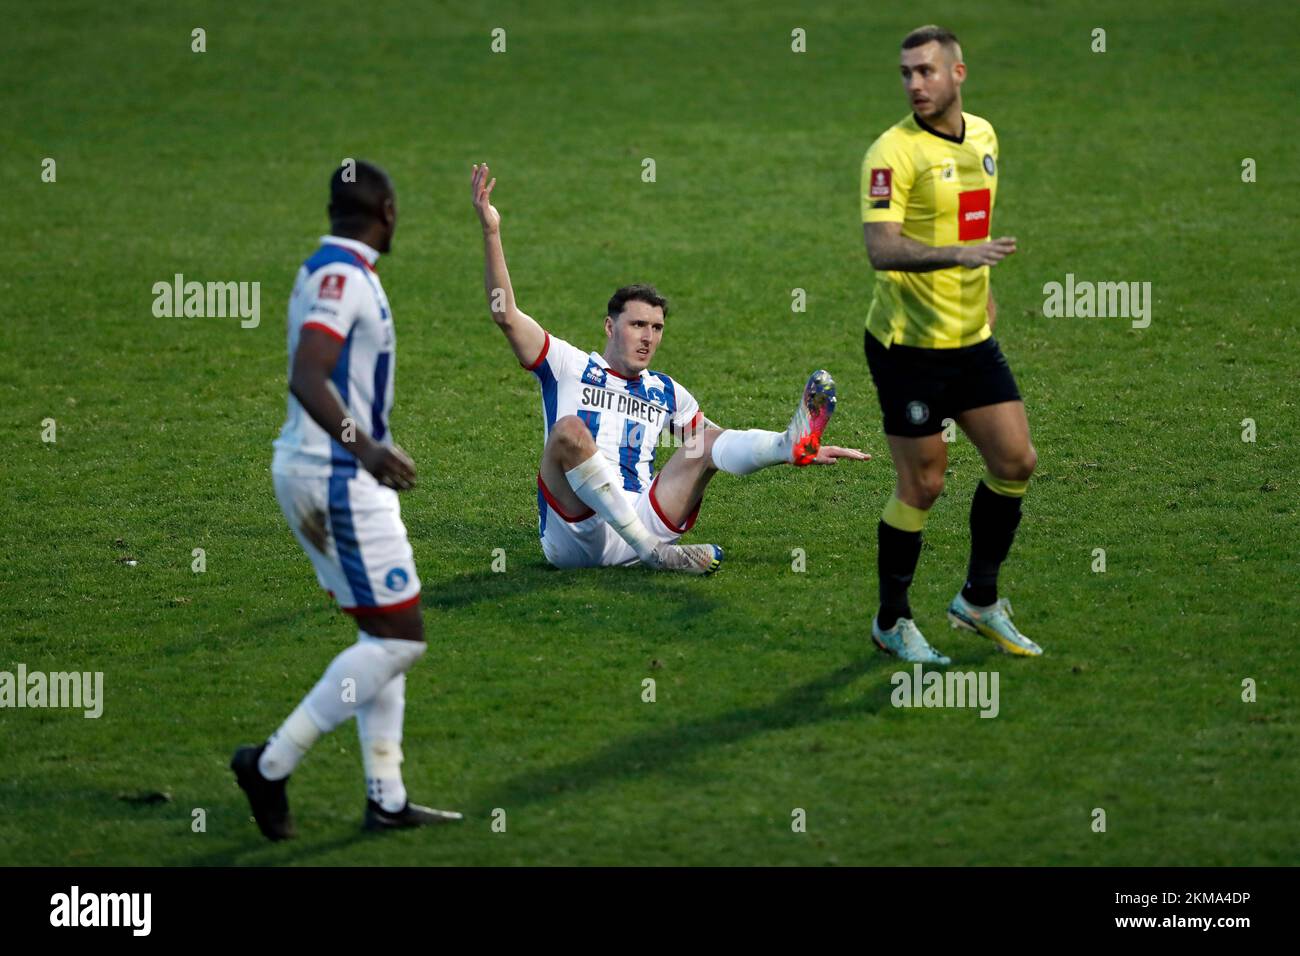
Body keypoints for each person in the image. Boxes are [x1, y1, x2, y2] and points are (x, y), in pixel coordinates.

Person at [472, 163, 869, 572]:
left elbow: (720, 446)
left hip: (646, 514)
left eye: (657, 328)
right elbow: (506, 314)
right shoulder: (565, 363)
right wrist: (491, 231)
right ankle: (653, 554)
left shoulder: (666, 390)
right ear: (610, 326)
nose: (648, 337)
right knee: (569, 431)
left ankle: (787, 441)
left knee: (707, 440)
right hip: (577, 535)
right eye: (638, 325)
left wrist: (788, 450)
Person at [231, 160, 462, 841]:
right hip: (335, 477)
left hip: (324, 473)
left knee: (381, 636)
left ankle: (385, 796)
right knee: (402, 642)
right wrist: (364, 447)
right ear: (387, 210)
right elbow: (307, 374)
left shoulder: (322, 267)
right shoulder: (343, 278)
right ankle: (269, 764)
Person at [860, 26, 1043, 663]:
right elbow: (881, 248)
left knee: (1016, 461)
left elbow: (972, 218)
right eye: (906, 72)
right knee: (925, 483)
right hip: (907, 348)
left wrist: (981, 290)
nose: (915, 83)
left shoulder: (986, 136)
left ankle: (979, 599)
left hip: (970, 340)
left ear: (957, 74)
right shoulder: (892, 153)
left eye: (927, 72)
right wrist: (958, 257)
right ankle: (891, 619)